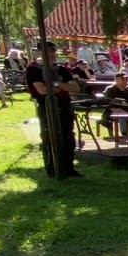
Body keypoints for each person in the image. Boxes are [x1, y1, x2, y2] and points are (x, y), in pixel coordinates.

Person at [25, 41, 82, 178]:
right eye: (47, 52)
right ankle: (52, 169)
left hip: (64, 106)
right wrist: (62, 86)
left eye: (52, 51)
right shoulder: (33, 70)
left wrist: (56, 84)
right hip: (47, 107)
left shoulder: (61, 70)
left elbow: (75, 88)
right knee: (49, 137)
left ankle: (69, 168)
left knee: (68, 137)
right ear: (39, 52)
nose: (51, 54)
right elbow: (43, 90)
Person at [101, 71, 128, 138]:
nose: (125, 81)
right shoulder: (110, 89)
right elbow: (108, 102)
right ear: (116, 80)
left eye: (126, 79)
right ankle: (125, 133)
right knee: (122, 115)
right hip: (113, 110)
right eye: (123, 79)